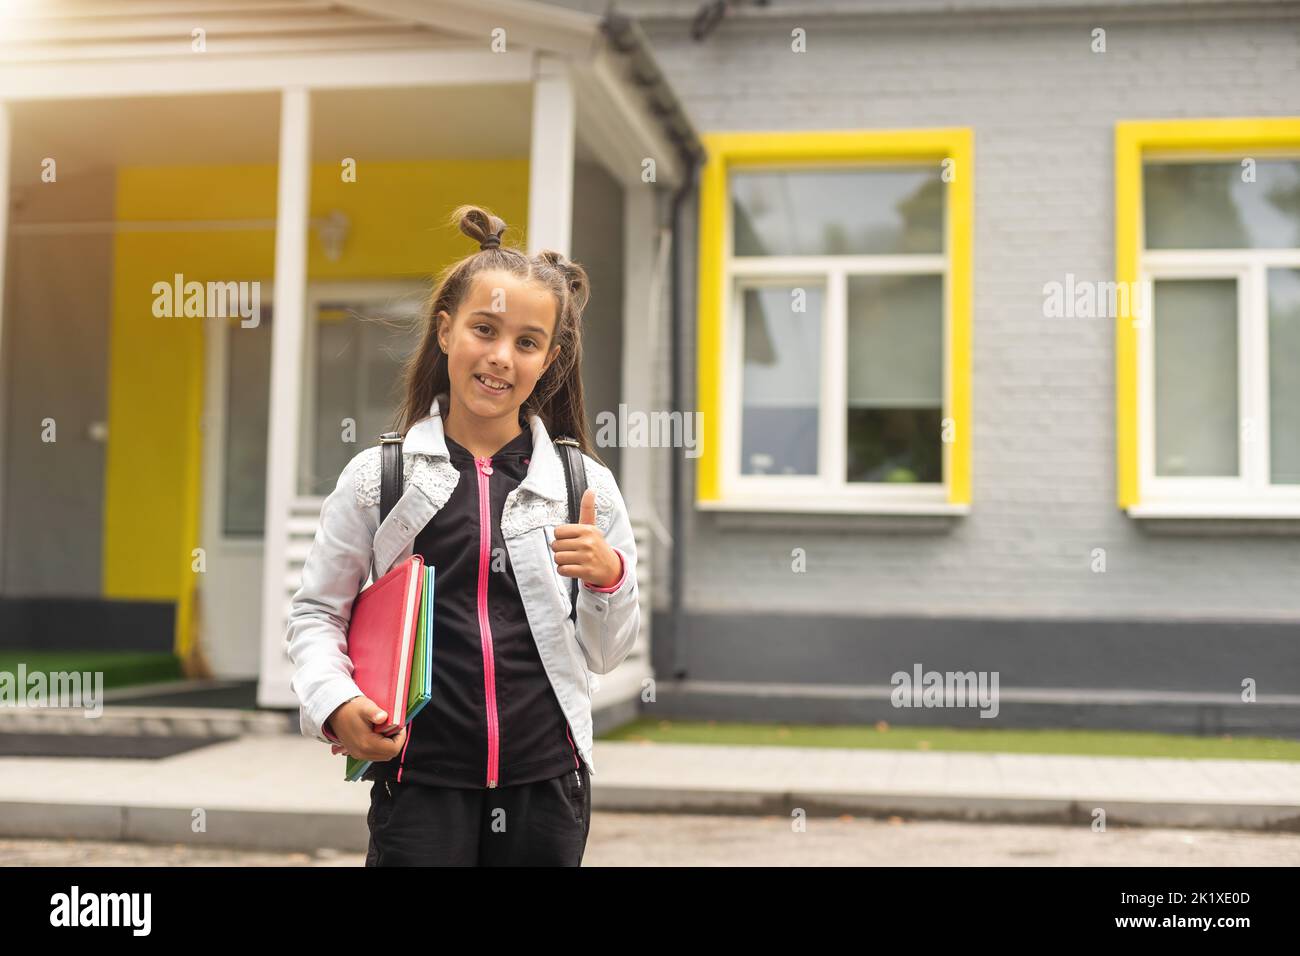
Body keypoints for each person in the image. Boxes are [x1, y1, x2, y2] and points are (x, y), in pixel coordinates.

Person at [284, 204, 640, 866]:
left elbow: (605, 652)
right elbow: (315, 615)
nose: (501, 357)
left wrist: (608, 577)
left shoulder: (582, 487)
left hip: (546, 787)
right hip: (421, 787)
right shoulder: (378, 479)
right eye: (485, 330)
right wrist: (336, 704)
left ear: (549, 360)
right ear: (446, 332)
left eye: (527, 343)